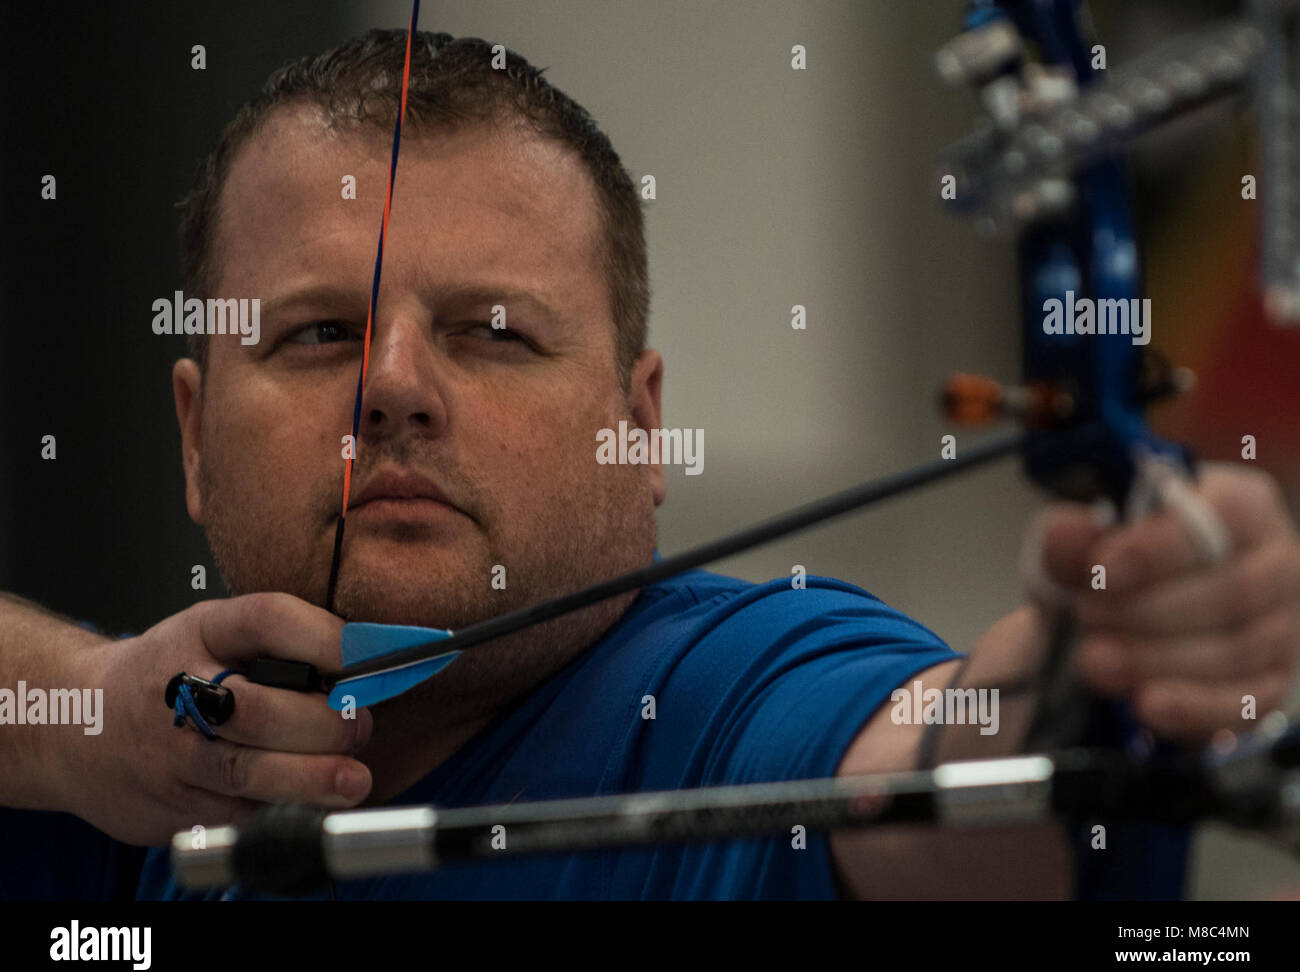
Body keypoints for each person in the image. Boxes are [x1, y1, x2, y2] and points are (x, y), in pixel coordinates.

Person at [2, 30, 1297, 900]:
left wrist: (1105, 655)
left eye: (494, 333)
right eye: (319, 332)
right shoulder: (134, 774)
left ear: (639, 421)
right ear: (191, 431)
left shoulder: (719, 701)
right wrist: (75, 713)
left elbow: (949, 766)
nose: (392, 387)